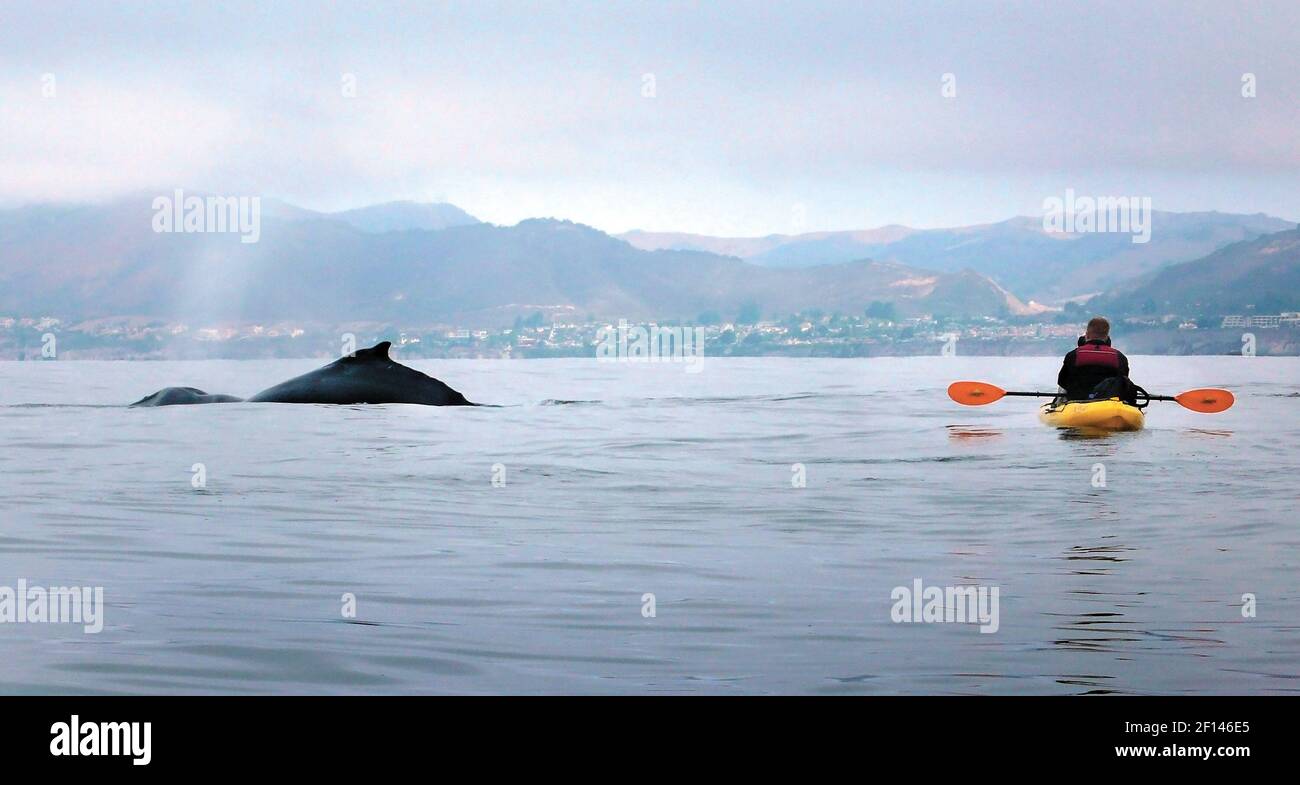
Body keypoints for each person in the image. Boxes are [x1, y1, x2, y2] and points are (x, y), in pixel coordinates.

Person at [1057, 317, 1133, 401]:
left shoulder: (1073, 355)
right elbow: (1124, 382)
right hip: (1110, 403)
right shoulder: (1120, 357)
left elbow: (1062, 381)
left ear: (1087, 335)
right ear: (1107, 337)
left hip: (1077, 402)